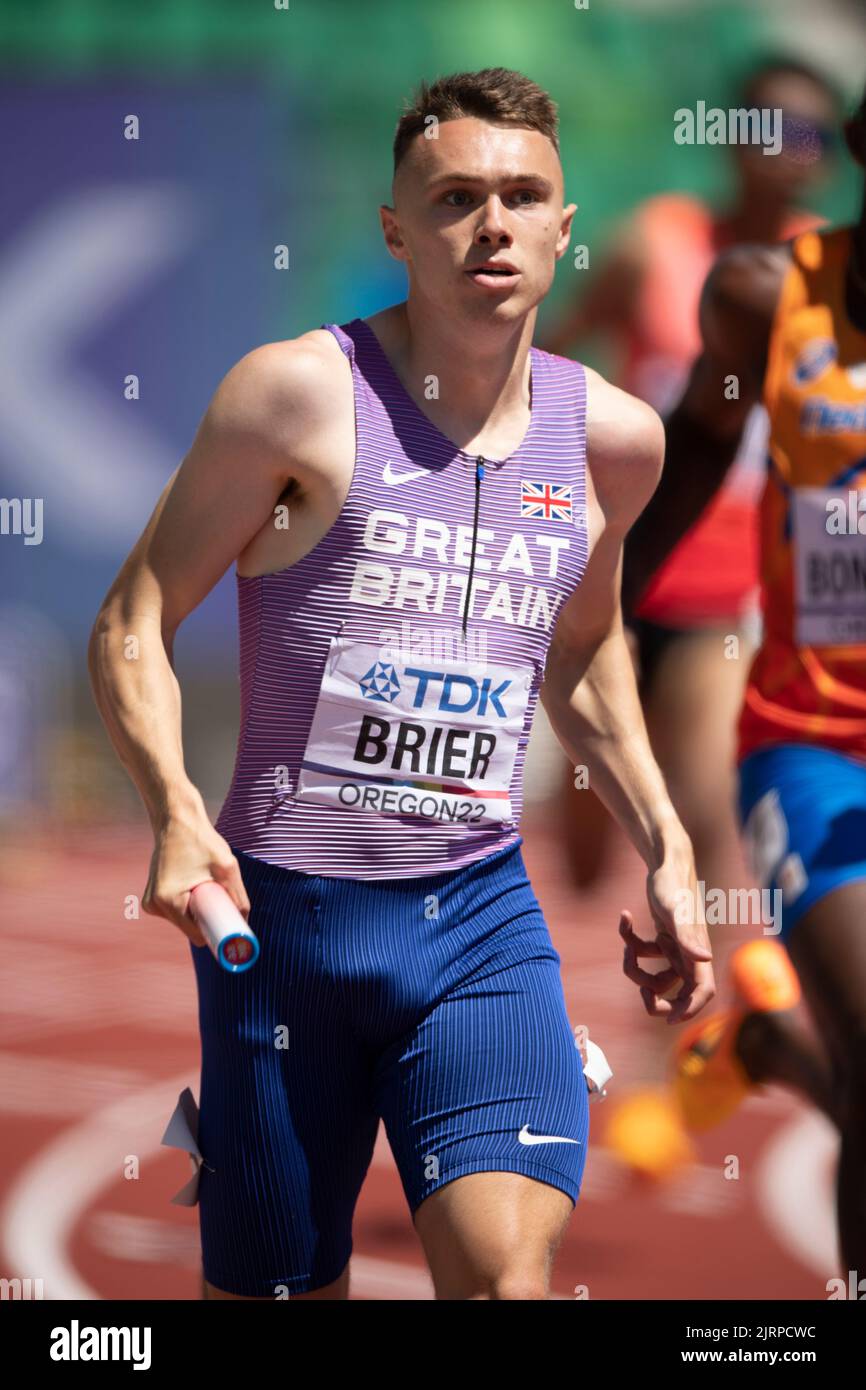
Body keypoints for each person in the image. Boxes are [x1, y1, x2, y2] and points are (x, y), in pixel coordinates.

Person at [88, 66, 713, 1303]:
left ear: (563, 226)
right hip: (285, 937)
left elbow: (581, 651)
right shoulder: (297, 397)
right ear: (395, 228)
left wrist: (669, 842)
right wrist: (169, 805)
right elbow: (133, 618)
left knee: (500, 1278)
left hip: (479, 924)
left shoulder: (612, 441)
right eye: (454, 198)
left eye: (522, 196)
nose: (492, 225)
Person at [623, 79, 866, 1269]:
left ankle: (767, 1048)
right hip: (809, 736)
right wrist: (582, 623)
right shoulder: (767, 297)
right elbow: (692, 457)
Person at [546, 59, 836, 894]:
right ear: (733, 139)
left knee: (707, 804)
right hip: (621, 562)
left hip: (730, 587)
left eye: (809, 135)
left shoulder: (827, 275)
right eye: (770, 129)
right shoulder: (654, 244)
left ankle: (699, 1022)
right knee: (586, 846)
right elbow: (555, 348)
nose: (788, 151)